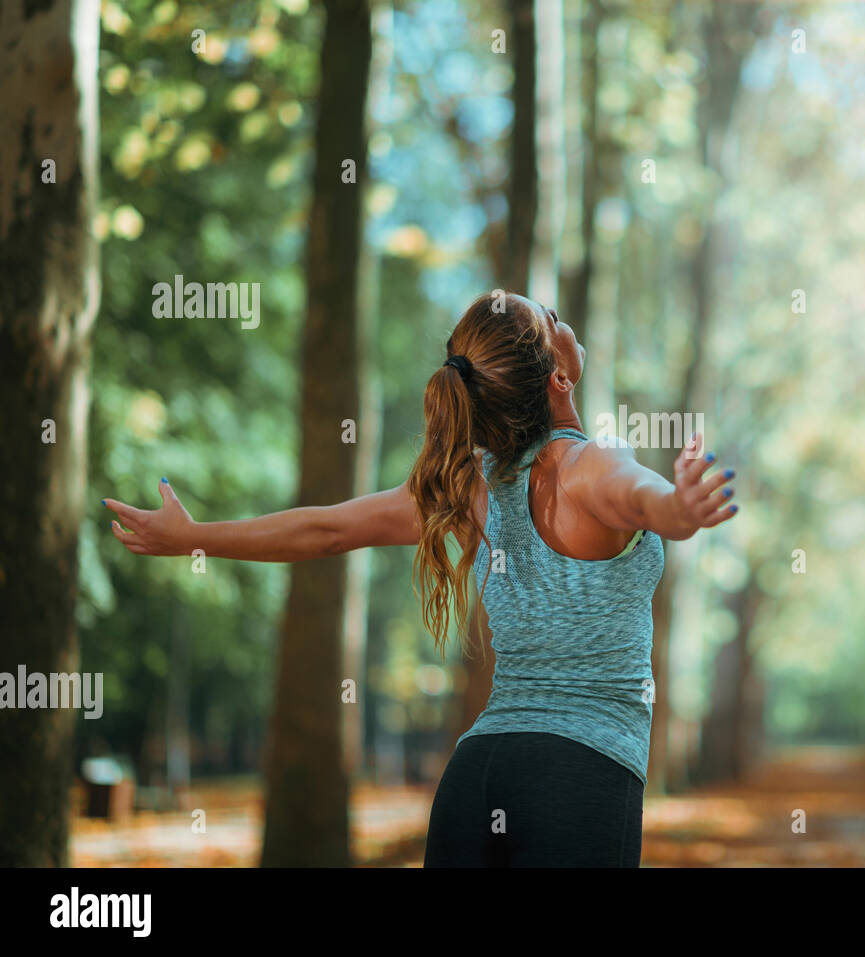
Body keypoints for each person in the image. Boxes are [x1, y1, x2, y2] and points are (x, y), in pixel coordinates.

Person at [104, 291, 739, 867]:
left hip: (476, 775)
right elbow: (649, 502)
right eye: (549, 315)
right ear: (559, 374)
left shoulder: (468, 488)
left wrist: (194, 537)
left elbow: (326, 530)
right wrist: (680, 508)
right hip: (578, 773)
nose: (558, 310)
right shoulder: (594, 465)